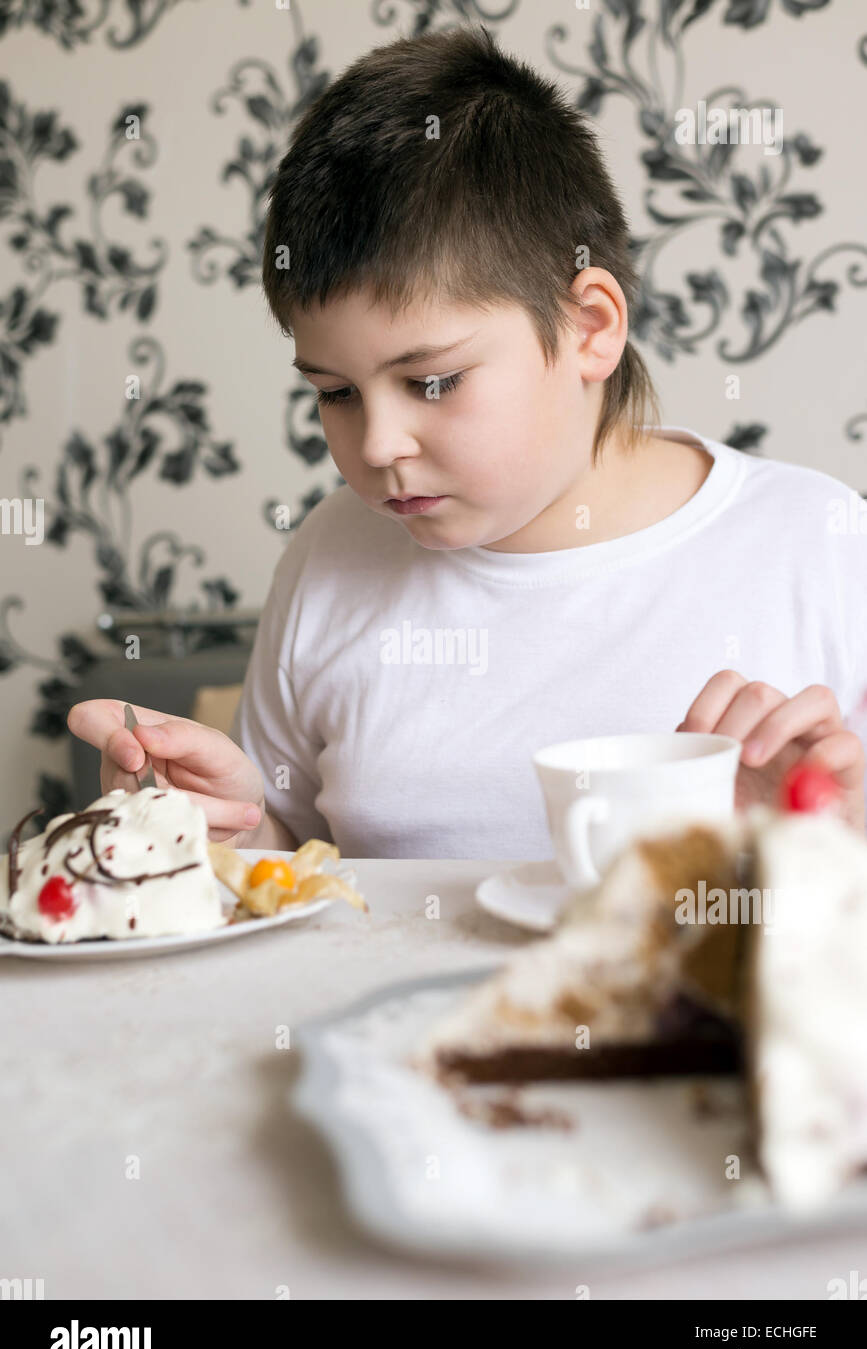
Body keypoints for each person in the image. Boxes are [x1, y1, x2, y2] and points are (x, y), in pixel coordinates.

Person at [67, 27, 867, 858]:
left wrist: (837, 839)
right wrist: (231, 827)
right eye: (335, 393)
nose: (375, 445)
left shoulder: (816, 544)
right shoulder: (329, 555)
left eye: (433, 381)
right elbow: (299, 877)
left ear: (590, 327)